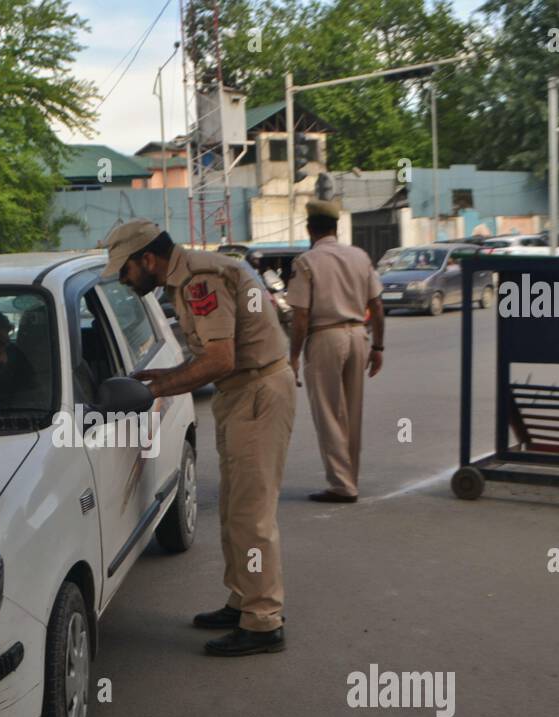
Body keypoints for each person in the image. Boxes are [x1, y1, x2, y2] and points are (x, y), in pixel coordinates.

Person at [103, 218, 295, 657]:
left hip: (256, 393)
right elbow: (216, 354)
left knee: (251, 514)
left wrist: (154, 389)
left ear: (147, 258)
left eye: (126, 269)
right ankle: (243, 600)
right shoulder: (187, 277)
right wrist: (168, 376)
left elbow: (219, 360)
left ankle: (263, 621)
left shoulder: (197, 280)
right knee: (234, 508)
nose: (123, 278)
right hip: (245, 392)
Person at [285, 198, 385, 503]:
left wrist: (293, 355)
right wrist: (378, 346)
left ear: (309, 229)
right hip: (358, 335)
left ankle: (342, 486)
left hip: (325, 337)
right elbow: (377, 307)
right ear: (336, 228)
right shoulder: (359, 256)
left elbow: (300, 317)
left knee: (329, 413)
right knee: (352, 412)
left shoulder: (306, 262)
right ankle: (349, 479)